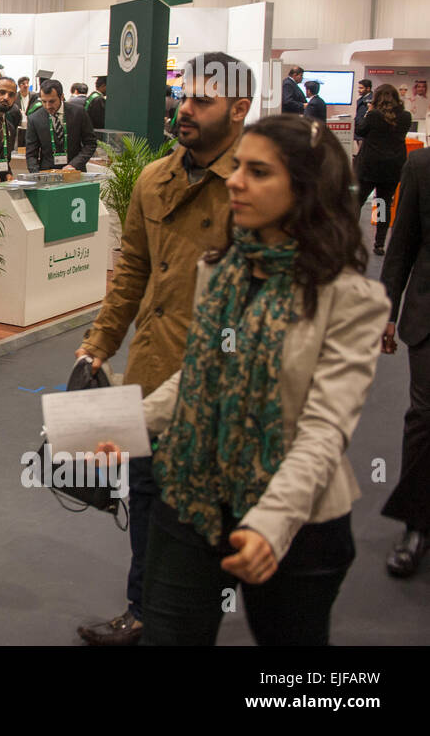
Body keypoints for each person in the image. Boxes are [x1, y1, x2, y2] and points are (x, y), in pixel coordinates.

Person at [121, 116, 387, 645]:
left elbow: (323, 431)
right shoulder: (220, 270)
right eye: (238, 166)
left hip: (297, 524)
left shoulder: (350, 299)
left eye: (258, 171)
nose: (235, 181)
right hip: (192, 498)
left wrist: (271, 523)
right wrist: (120, 424)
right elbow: (198, 378)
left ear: (307, 189)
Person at [74, 51, 252, 645]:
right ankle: (142, 611)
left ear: (240, 107)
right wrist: (98, 345)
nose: (186, 109)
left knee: (206, 517)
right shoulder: (154, 178)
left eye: (203, 100)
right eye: (184, 97)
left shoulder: (256, 187)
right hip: (150, 370)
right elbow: (131, 271)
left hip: (221, 387)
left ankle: (184, 619)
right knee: (145, 499)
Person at [378, 145, 430, 577]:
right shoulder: (422, 166)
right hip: (427, 317)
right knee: (424, 420)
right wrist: (387, 314)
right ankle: (416, 525)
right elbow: (402, 247)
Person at [354, 84, 412, 256]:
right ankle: (379, 243)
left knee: (357, 201)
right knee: (383, 204)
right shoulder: (406, 116)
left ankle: (351, 239)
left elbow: (360, 130)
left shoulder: (373, 115)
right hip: (392, 168)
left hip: (369, 167)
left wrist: (368, 111)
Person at [24, 78, 96, 173]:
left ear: (61, 97)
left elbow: (90, 143)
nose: (48, 106)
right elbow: (31, 154)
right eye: (44, 101)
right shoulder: (34, 118)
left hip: (75, 172)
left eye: (52, 101)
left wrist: (74, 164)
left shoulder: (78, 113)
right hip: (47, 174)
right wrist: (36, 175)